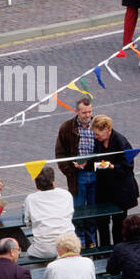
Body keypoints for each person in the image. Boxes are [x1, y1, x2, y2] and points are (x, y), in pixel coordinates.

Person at [54, 95, 98, 248]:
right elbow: (60, 154)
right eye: (84, 113)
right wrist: (71, 168)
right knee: (78, 211)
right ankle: (81, 242)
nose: (88, 116)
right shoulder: (66, 128)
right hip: (77, 176)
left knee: (94, 211)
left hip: (95, 173)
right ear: (76, 112)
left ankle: (92, 240)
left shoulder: (97, 124)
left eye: (89, 112)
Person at [92, 114, 138, 249]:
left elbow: (128, 167)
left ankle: (119, 250)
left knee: (119, 223)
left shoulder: (121, 142)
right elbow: (96, 159)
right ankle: (104, 250)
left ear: (107, 129)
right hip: (103, 189)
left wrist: (112, 166)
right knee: (101, 221)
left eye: (98, 133)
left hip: (120, 191)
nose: (96, 137)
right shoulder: (98, 141)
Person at [22, 166, 74, 261]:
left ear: (37, 185)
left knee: (29, 251)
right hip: (69, 245)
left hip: (44, 249)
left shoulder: (30, 199)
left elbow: (27, 222)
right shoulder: (66, 194)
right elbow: (70, 215)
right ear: (53, 182)